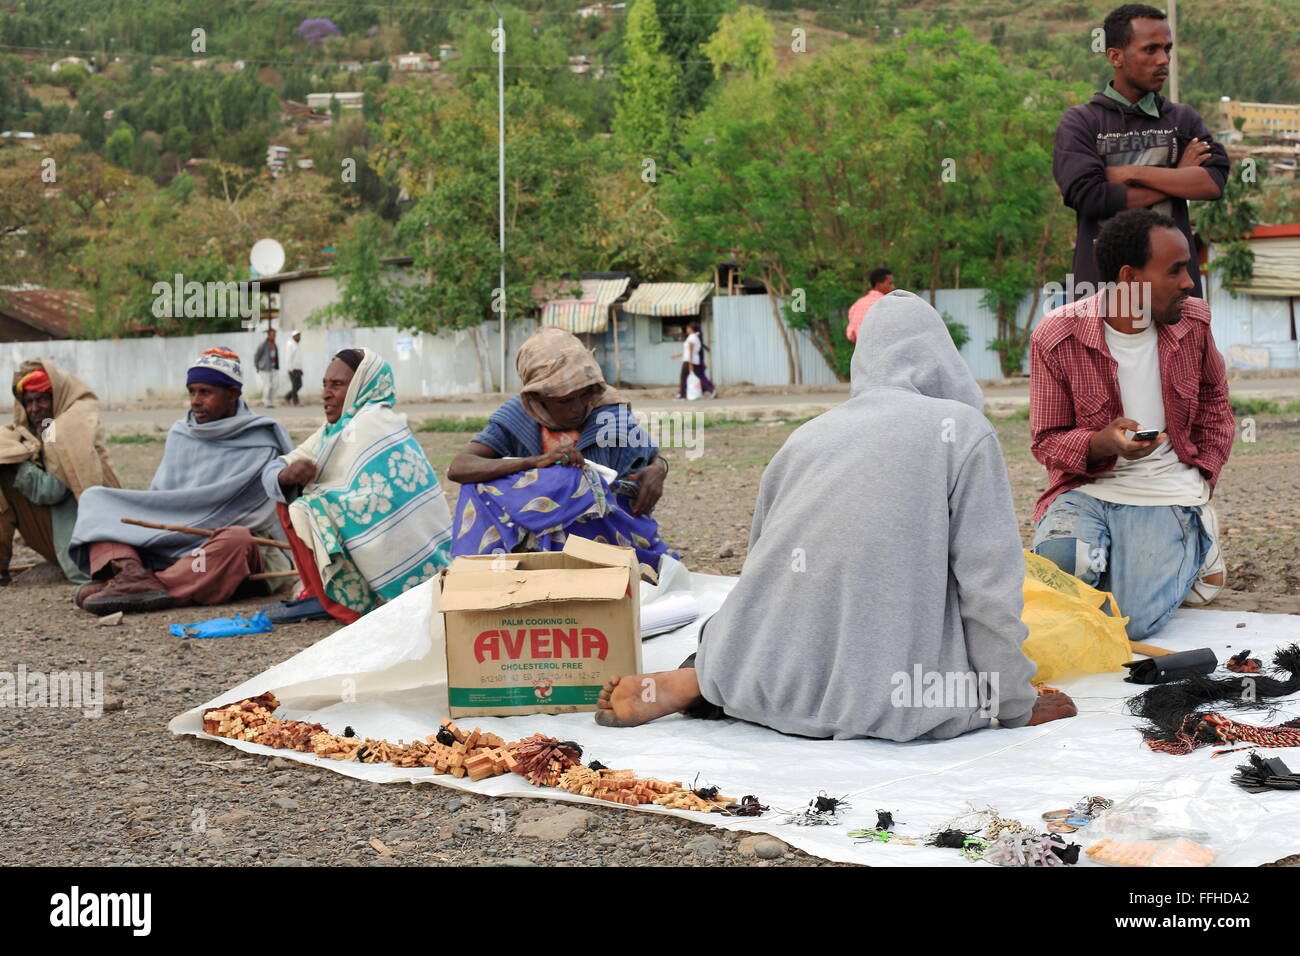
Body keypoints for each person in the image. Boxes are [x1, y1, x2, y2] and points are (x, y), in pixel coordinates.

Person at [594, 291, 1077, 739]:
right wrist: (1015, 702)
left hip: (767, 670)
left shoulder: (805, 437)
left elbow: (760, 567)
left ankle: (707, 677)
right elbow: (988, 588)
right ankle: (821, 686)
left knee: (769, 607)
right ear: (944, 361)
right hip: (894, 696)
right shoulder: (964, 431)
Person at [1028, 209, 1235, 639]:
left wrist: (1203, 475)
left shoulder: (1194, 321)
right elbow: (1046, 441)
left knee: (1131, 624)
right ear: (1128, 277)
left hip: (1165, 489)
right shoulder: (1057, 336)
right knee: (1063, 589)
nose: (1188, 282)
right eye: (1175, 270)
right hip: (1084, 488)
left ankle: (1198, 536)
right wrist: (1101, 443)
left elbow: (1216, 401)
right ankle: (1164, 561)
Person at [68, 347, 293, 615]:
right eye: (192, 391)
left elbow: (254, 514)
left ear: (232, 394)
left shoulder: (261, 441)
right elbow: (163, 501)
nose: (196, 401)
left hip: (217, 550)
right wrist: (157, 532)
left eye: (206, 392)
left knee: (237, 539)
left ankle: (155, 586)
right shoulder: (181, 433)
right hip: (169, 544)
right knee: (97, 501)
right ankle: (130, 571)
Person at [447, 327, 676, 579]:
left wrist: (658, 468)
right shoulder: (518, 416)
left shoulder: (608, 414)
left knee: (573, 479)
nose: (577, 408)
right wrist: (537, 462)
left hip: (607, 539)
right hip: (529, 543)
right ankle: (488, 574)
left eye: (583, 395)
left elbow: (648, 455)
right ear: (538, 398)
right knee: (477, 486)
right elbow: (460, 467)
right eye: (564, 401)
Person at [262, 348, 454, 621]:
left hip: (409, 549)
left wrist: (310, 492)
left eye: (337, 385)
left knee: (304, 507)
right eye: (325, 385)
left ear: (363, 387)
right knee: (291, 496)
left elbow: (378, 503)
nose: (326, 394)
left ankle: (351, 603)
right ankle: (325, 596)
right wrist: (287, 476)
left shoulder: (373, 423)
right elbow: (274, 471)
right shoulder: (335, 430)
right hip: (392, 547)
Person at [1053, 4, 1227, 300]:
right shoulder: (1082, 122)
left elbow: (1212, 183)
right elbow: (1091, 197)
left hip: (1176, 299)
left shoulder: (1181, 120)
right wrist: (1176, 179)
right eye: (1150, 50)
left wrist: (1133, 173)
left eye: (1167, 49)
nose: (1163, 60)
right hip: (1104, 298)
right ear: (1115, 56)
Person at [0, 360, 120, 585]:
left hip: (82, 544)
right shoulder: (52, 424)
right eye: (28, 402)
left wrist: (17, 463)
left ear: (57, 396)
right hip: (72, 533)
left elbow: (51, 491)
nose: (35, 409)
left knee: (4, 471)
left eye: (42, 399)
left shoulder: (67, 426)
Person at [845, 267, 896, 343]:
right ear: (878, 285)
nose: (893, 287)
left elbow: (851, 335)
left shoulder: (857, 304)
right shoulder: (890, 303)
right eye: (890, 283)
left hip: (862, 352)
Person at [674, 322, 715, 399]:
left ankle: (682, 395)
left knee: (683, 377)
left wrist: (690, 363)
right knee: (698, 377)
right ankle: (711, 390)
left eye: (687, 328)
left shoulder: (692, 338)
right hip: (693, 360)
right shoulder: (694, 337)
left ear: (691, 329)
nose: (686, 329)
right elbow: (688, 350)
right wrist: (677, 355)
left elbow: (690, 351)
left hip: (689, 361)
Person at [254, 328, 279, 408]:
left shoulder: (274, 344)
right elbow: (257, 356)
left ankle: (270, 401)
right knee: (268, 385)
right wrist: (257, 367)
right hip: (264, 368)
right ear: (268, 335)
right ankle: (266, 402)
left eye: (275, 335)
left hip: (273, 368)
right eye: (273, 335)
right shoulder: (263, 345)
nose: (274, 336)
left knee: (275, 385)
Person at [283, 330, 303, 406]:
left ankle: (287, 396)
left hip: (298, 369)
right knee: (295, 385)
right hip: (292, 369)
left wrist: (301, 369)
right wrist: (290, 368)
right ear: (293, 336)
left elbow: (298, 358)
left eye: (299, 335)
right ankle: (296, 402)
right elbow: (288, 357)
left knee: (299, 385)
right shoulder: (290, 344)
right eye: (297, 336)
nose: (299, 337)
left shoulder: (297, 344)